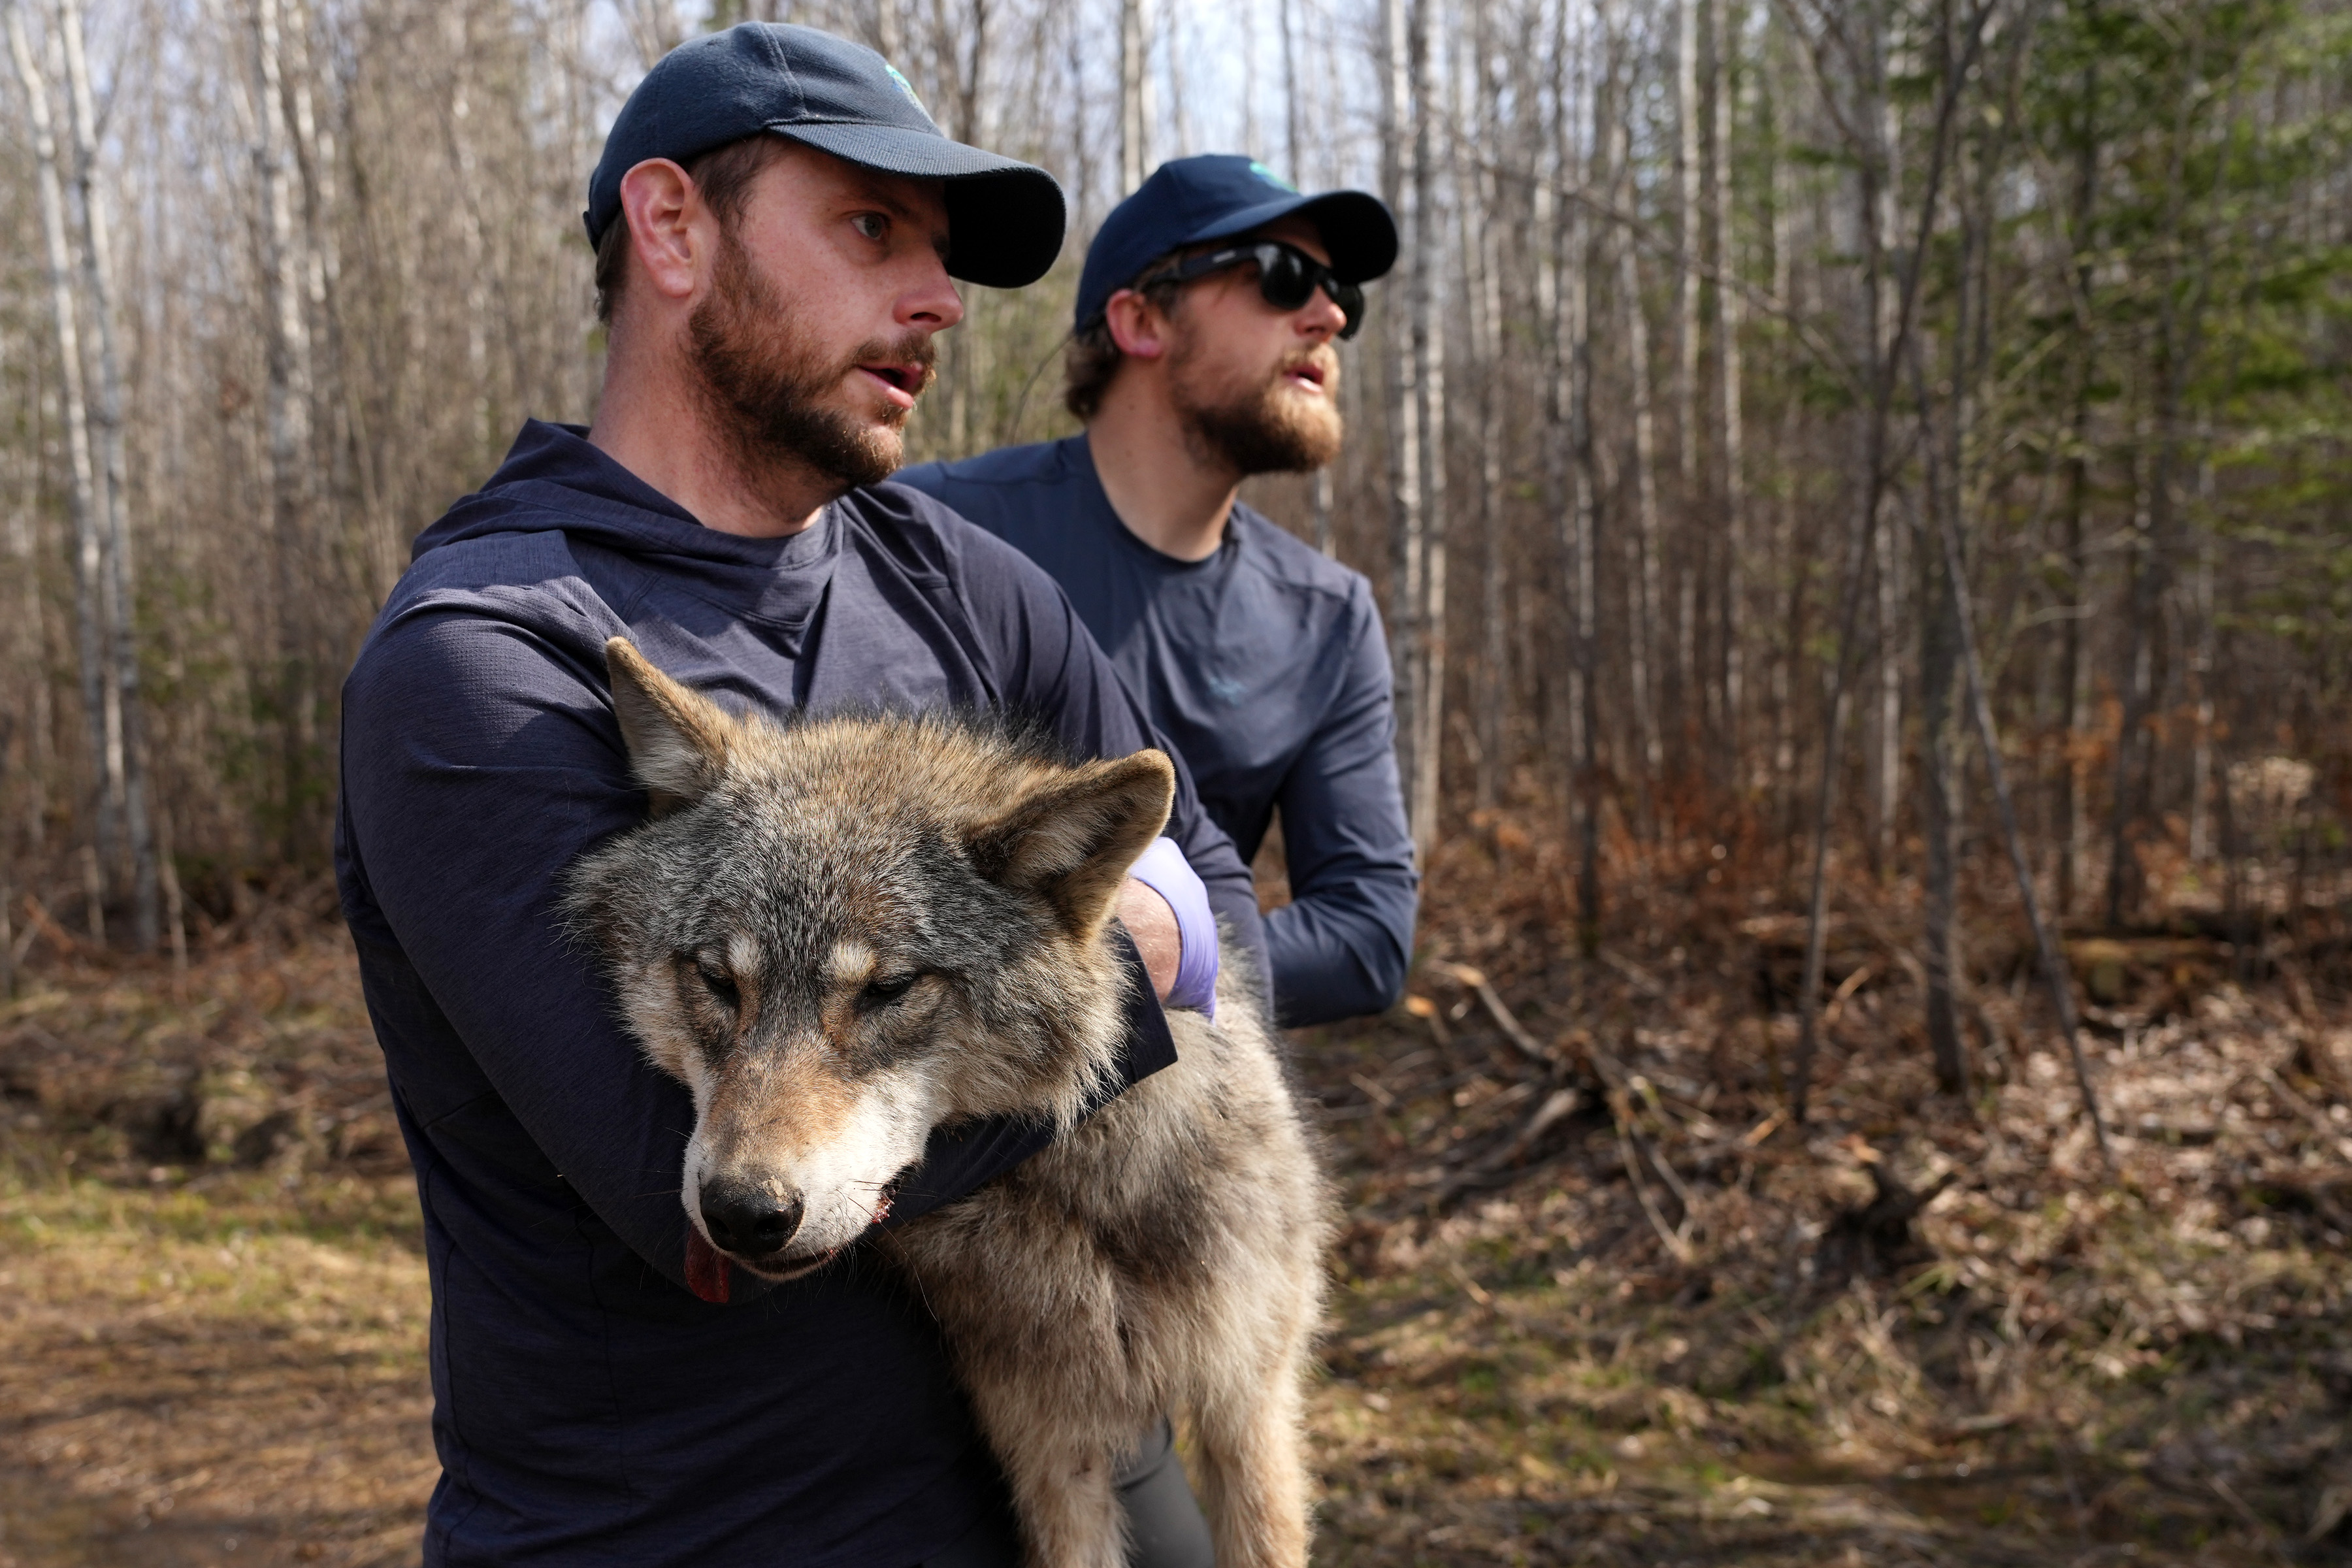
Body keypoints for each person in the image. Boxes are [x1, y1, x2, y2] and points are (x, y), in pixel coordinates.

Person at [332, 25, 1263, 1567]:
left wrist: (1173, 949)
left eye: (944, 257)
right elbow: (709, 1211)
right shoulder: (487, 662)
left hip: (1056, 1489)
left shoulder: (956, 574)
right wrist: (1135, 971)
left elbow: (1210, 883)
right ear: (673, 229)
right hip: (679, 1534)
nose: (940, 302)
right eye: (870, 229)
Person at [899, 154, 1418, 1032]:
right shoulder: (934, 532)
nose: (1328, 316)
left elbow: (1370, 935)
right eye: (1282, 276)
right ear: (1140, 319)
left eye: (1343, 297)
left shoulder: (1327, 616)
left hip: (1174, 1120)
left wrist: (1174, 955)